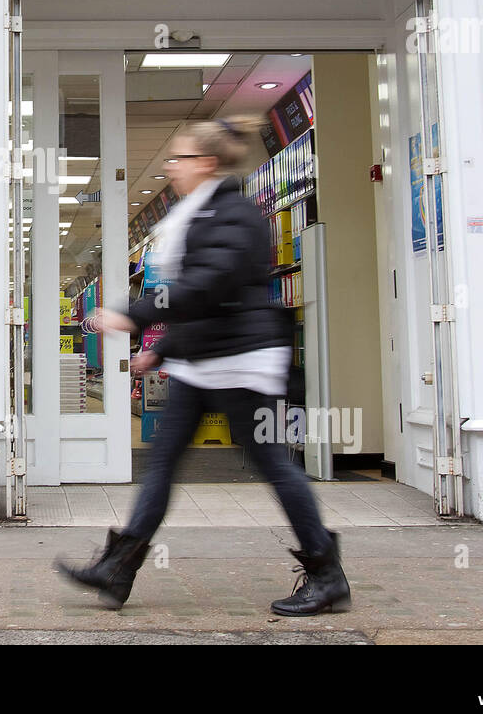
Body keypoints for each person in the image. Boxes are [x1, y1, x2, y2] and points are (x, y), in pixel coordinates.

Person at [55, 117, 351, 615]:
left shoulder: (233, 215)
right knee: (162, 463)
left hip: (243, 363)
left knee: (273, 464)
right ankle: (117, 568)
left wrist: (134, 313)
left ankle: (327, 575)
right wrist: (164, 349)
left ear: (206, 163)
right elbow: (202, 303)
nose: (170, 168)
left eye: (179, 158)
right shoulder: (198, 216)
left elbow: (208, 288)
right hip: (202, 360)